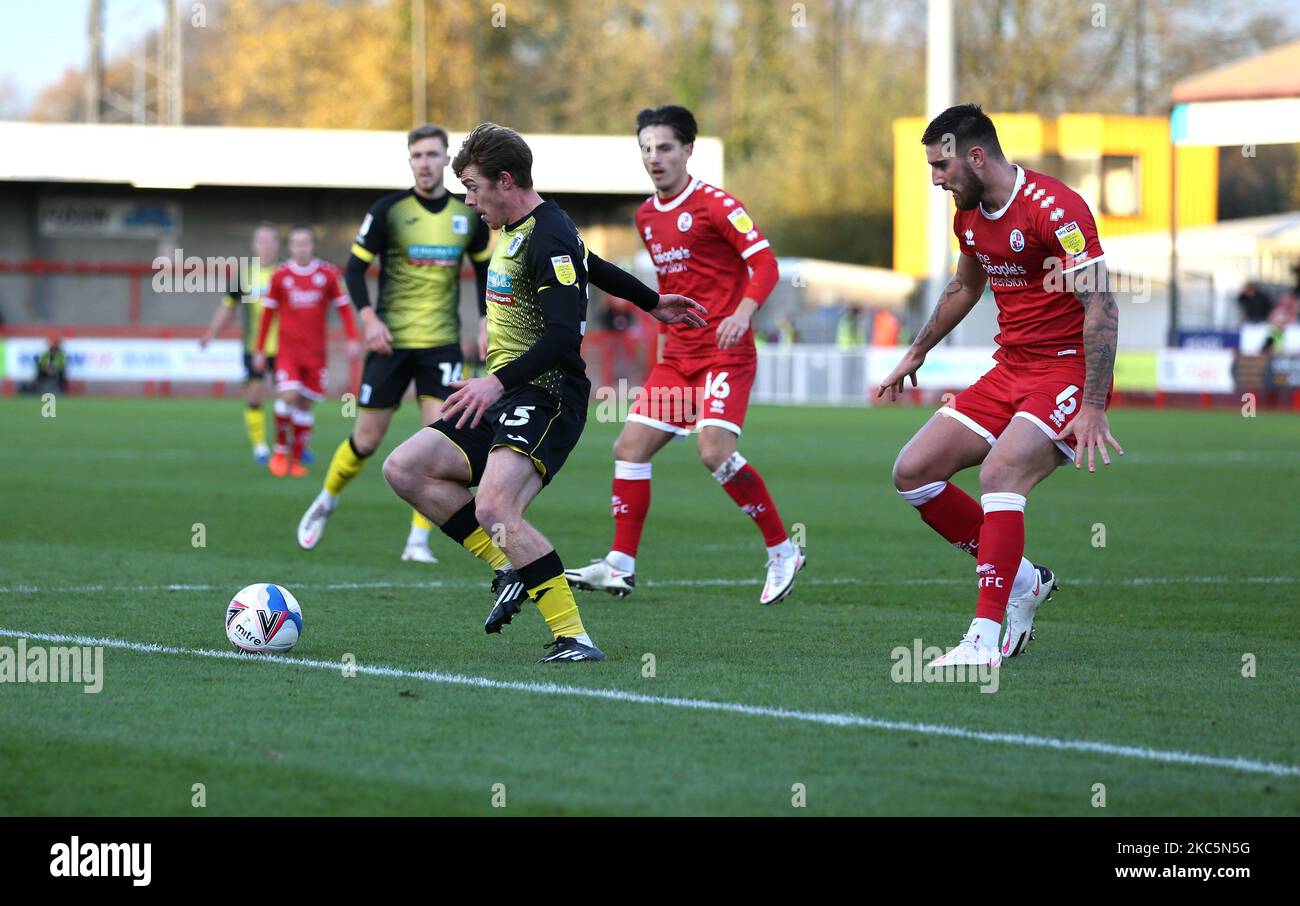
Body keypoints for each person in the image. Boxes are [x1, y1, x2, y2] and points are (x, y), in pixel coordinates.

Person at [381, 122, 706, 663]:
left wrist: (494, 381)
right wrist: (652, 301)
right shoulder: (527, 225)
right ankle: (510, 565)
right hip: (505, 393)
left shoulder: (546, 233)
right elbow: (591, 263)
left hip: (546, 396)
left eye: (473, 186)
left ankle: (575, 638)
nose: (468, 198)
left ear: (504, 181)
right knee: (405, 468)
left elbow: (560, 337)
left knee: (496, 506)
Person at [878, 104, 1122, 667]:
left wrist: (1091, 404)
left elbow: (1101, 304)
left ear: (976, 156)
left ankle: (984, 639)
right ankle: (1024, 580)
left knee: (999, 473)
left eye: (942, 166)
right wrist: (916, 351)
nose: (936, 179)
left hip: (1065, 370)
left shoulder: (1055, 208)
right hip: (1010, 367)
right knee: (912, 472)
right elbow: (965, 288)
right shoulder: (968, 216)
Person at [564, 105, 803, 606]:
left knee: (713, 452)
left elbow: (764, 263)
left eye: (665, 147)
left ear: (689, 149)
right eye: (646, 149)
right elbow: (674, 288)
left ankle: (783, 550)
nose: (654, 158)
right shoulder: (646, 215)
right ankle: (620, 566)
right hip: (679, 358)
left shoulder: (716, 204)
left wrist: (743, 312)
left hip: (725, 352)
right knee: (628, 450)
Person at [296, 124, 492, 563]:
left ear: (447, 161)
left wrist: (483, 321)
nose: (425, 163)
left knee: (438, 438)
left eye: (433, 155)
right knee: (366, 439)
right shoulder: (389, 211)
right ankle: (326, 499)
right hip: (390, 345)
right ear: (410, 161)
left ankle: (417, 541)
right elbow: (352, 269)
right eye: (418, 155)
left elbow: (483, 271)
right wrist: (368, 320)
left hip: (441, 345)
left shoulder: (468, 214)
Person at [253, 225, 360, 478]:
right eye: (296, 244)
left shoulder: (328, 274)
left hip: (315, 354)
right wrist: (259, 349)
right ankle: (280, 451)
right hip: (287, 352)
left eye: (306, 243)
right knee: (288, 397)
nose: (301, 248)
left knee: (305, 405)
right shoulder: (280, 276)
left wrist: (352, 339)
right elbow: (268, 314)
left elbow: (344, 308)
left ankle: (297, 458)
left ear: (313, 246)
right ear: (290, 247)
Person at [199, 223, 282, 464]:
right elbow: (228, 306)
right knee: (255, 394)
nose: (266, 246)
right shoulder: (245, 274)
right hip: (254, 346)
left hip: (286, 348)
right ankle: (260, 447)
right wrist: (211, 334)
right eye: (261, 241)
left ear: (277, 245)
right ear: (254, 245)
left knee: (291, 398)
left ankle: (288, 446)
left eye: (270, 241)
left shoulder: (286, 272)